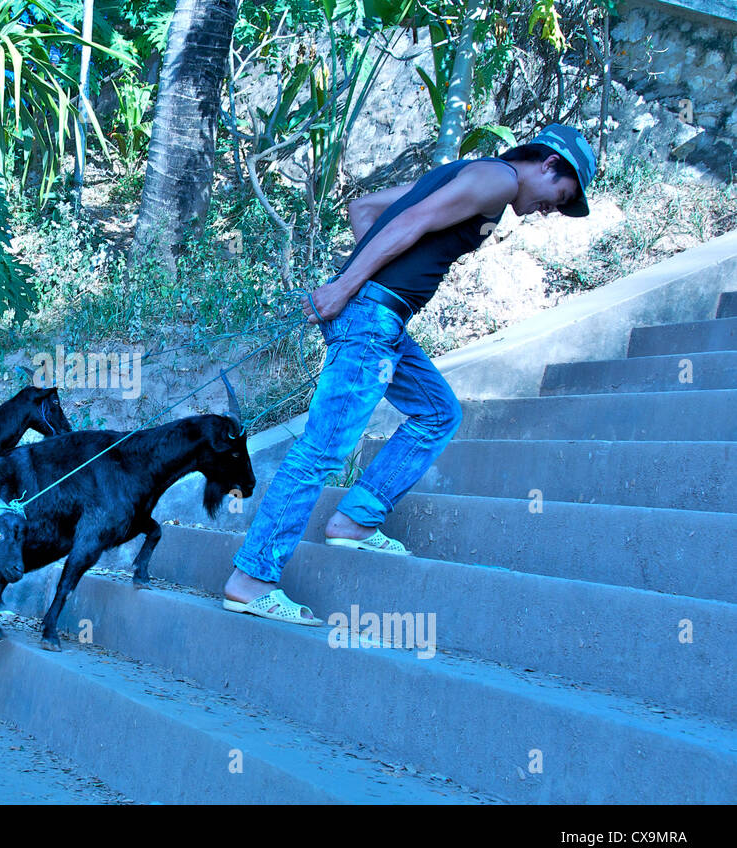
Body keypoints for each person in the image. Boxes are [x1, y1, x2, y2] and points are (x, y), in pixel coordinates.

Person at [223, 124, 598, 625]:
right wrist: (347, 288)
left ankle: (355, 520)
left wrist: (367, 284)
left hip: (381, 318)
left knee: (438, 412)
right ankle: (252, 580)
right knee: (322, 450)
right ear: (549, 164)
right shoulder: (501, 180)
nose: (553, 208)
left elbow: (366, 209)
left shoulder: (468, 172)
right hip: (371, 320)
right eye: (562, 195)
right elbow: (415, 221)